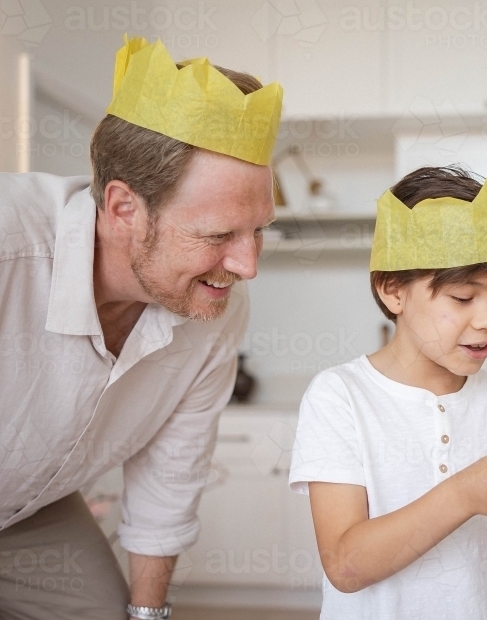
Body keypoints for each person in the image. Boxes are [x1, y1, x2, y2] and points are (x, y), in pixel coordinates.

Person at [0, 36, 282, 619]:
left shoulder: (215, 308)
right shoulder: (9, 245)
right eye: (218, 235)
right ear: (124, 208)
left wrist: (147, 616)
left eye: (258, 230)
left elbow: (169, 477)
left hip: (29, 509)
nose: (247, 265)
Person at [289, 166, 487, 619]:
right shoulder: (340, 397)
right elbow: (346, 566)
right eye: (462, 298)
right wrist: (464, 493)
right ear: (393, 290)